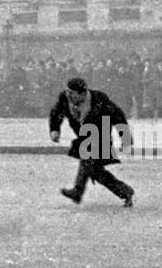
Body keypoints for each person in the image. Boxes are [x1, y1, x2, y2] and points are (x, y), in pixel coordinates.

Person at [48, 77, 134, 207]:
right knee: (95, 171)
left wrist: (126, 138)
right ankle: (125, 191)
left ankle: (77, 191)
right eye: (68, 92)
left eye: (72, 93)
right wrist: (55, 129)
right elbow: (56, 112)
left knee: (88, 161)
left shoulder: (99, 99)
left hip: (100, 134)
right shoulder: (65, 98)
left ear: (82, 93)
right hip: (84, 136)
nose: (69, 95)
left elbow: (117, 115)